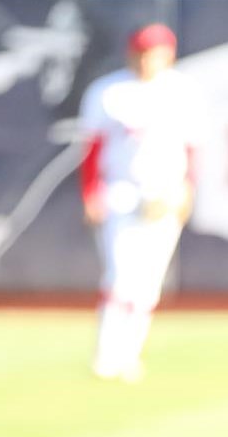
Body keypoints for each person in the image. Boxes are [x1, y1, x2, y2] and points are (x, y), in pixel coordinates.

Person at [77, 22, 207, 381]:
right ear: (131, 52)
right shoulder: (109, 91)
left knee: (148, 283)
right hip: (120, 191)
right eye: (143, 51)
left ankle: (129, 355)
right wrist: (90, 193)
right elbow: (92, 150)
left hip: (165, 192)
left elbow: (193, 149)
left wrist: (187, 190)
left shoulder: (183, 91)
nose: (148, 59)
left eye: (156, 52)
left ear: (169, 54)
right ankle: (106, 354)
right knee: (120, 277)